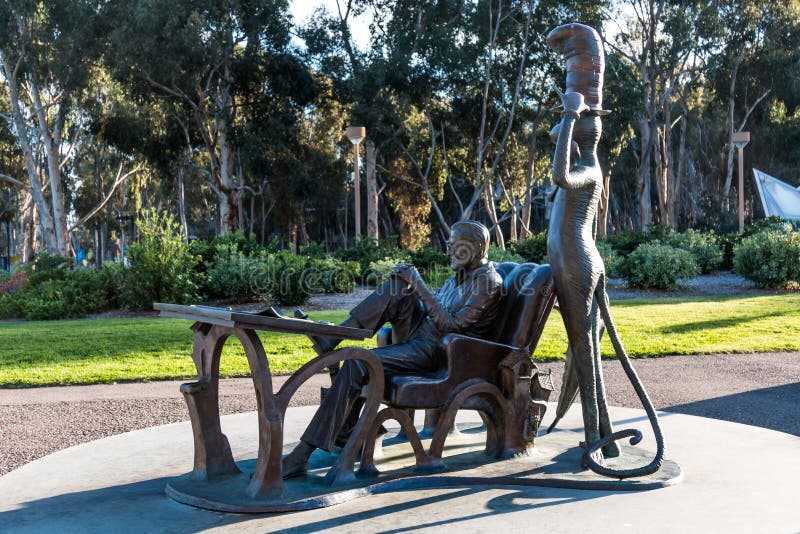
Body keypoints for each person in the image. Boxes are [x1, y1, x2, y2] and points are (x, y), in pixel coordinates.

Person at [282, 220, 503, 478]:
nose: (448, 251)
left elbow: (451, 325)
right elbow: (436, 309)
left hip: (440, 354)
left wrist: (417, 283)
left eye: (454, 246)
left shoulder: (488, 282)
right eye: (449, 245)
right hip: (424, 337)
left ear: (474, 247)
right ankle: (335, 338)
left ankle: (302, 454)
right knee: (398, 288)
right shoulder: (460, 277)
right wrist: (408, 283)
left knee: (357, 362)